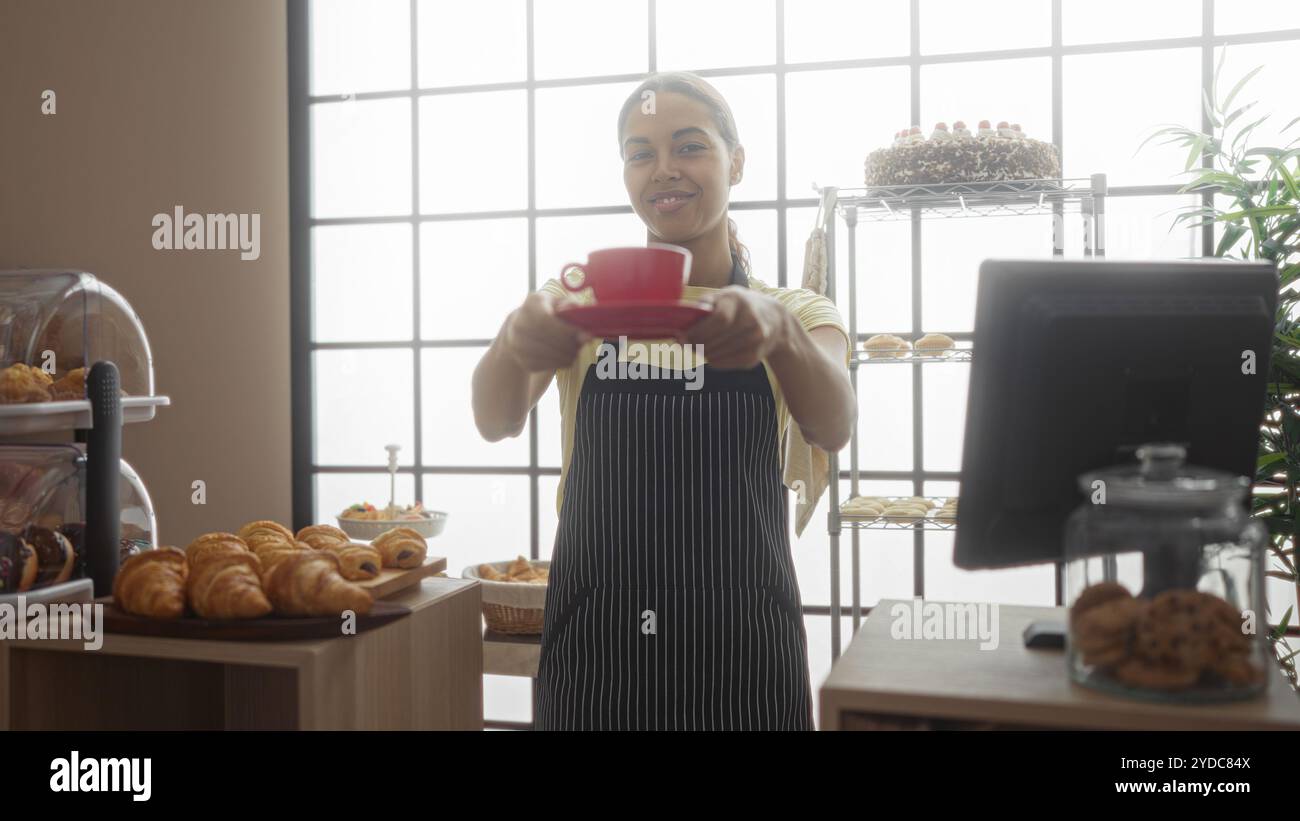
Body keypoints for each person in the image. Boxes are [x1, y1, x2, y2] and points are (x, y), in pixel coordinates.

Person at [471, 71, 855, 730]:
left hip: (746, 658)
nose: (664, 169)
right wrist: (514, 341)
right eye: (640, 152)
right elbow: (495, 419)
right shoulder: (579, 307)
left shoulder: (792, 311)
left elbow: (833, 421)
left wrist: (779, 335)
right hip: (598, 653)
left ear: (737, 161)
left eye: (690, 146)